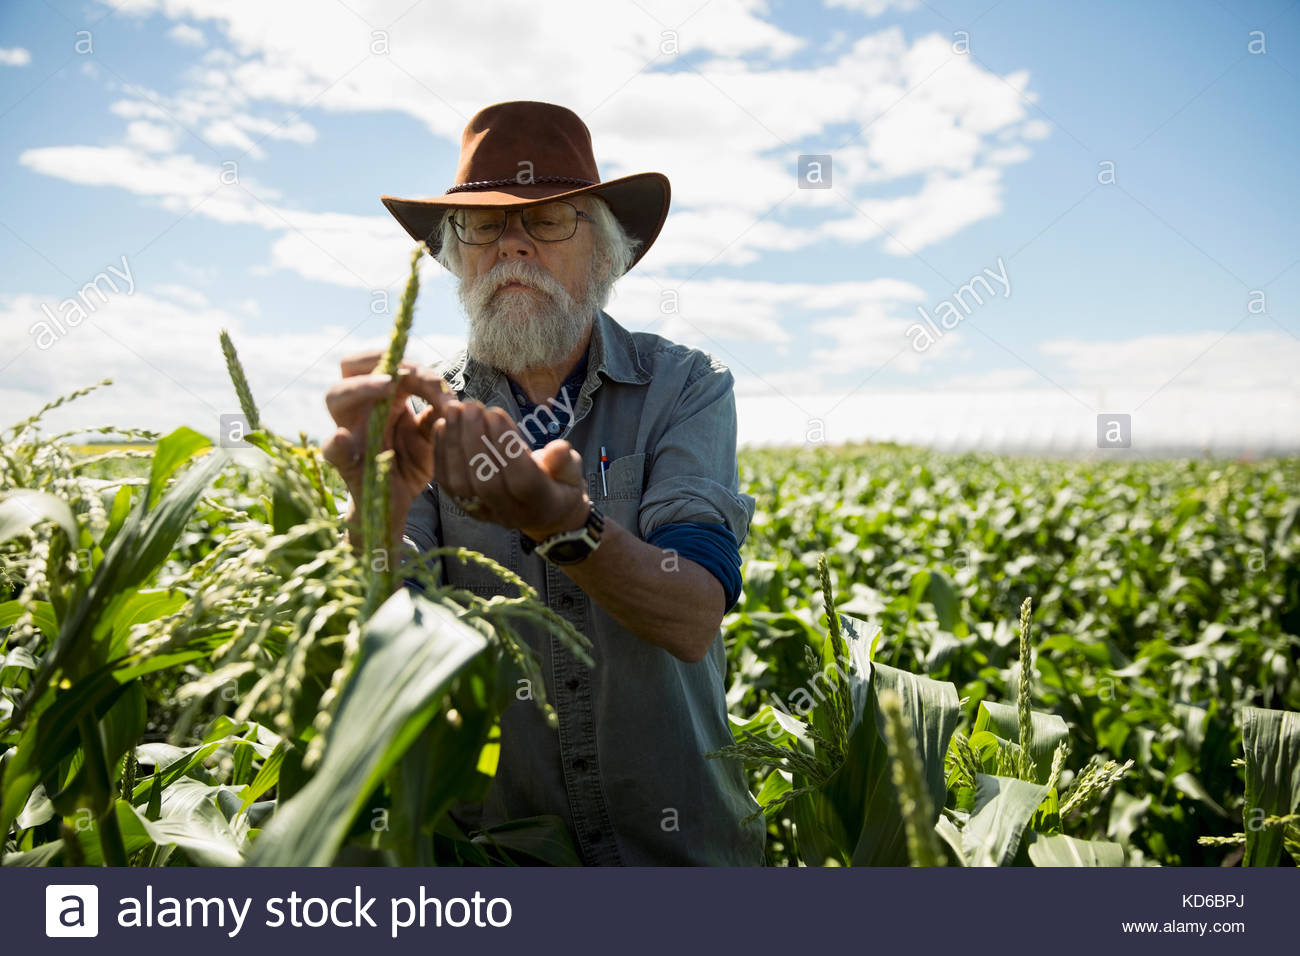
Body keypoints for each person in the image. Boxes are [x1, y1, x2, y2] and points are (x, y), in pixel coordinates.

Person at [322, 100, 764, 865]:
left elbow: (693, 616)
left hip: (678, 861)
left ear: (606, 254)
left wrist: (567, 529)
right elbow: (384, 660)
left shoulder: (684, 388)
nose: (513, 246)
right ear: (457, 257)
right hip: (496, 864)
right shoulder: (419, 420)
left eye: (550, 219)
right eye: (485, 226)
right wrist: (378, 514)